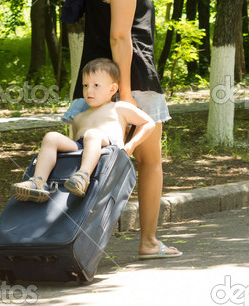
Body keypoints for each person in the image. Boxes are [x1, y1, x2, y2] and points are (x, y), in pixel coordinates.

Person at [67, 0, 182, 259]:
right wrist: (128, 96)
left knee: (87, 163)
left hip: (93, 81)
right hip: (130, 79)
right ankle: (148, 243)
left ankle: (70, 241)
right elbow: (120, 37)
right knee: (150, 162)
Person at [12, 59, 155, 202]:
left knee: (91, 134)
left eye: (96, 85)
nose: (89, 90)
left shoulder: (119, 107)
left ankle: (83, 176)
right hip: (83, 147)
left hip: (109, 149)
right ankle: (39, 181)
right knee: (51, 136)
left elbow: (148, 123)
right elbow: (75, 146)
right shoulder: (79, 117)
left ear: (112, 89)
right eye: (85, 85)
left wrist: (131, 145)